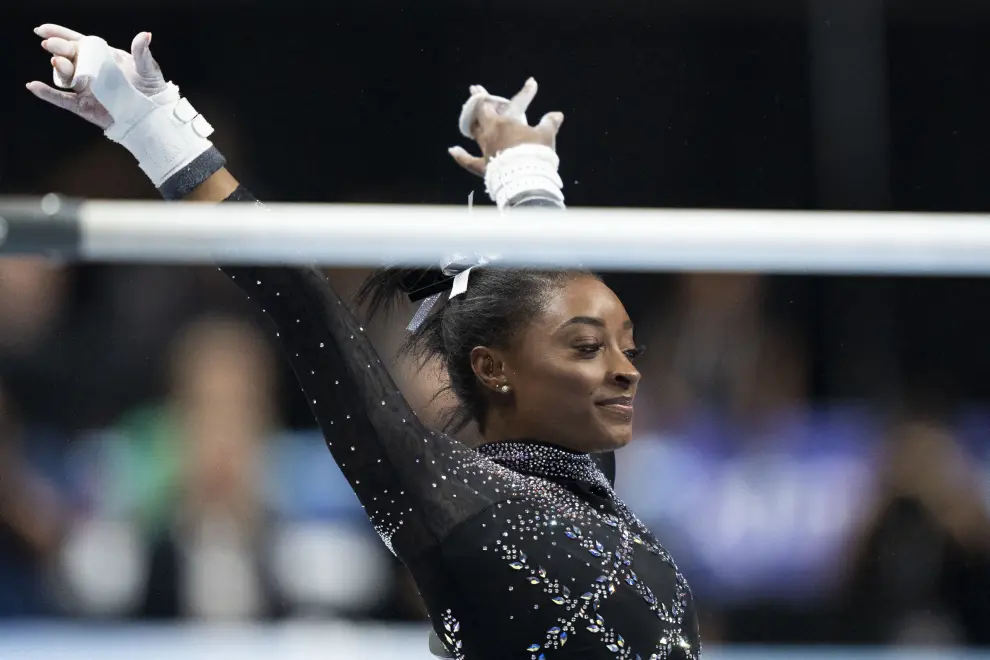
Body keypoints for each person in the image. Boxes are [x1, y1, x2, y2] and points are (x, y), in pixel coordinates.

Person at [27, 25, 701, 659]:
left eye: (628, 347)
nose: (627, 371)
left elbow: (557, 288)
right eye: (588, 348)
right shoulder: (450, 502)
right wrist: (153, 127)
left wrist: (527, 177)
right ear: (496, 369)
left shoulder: (586, 482)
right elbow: (301, 301)